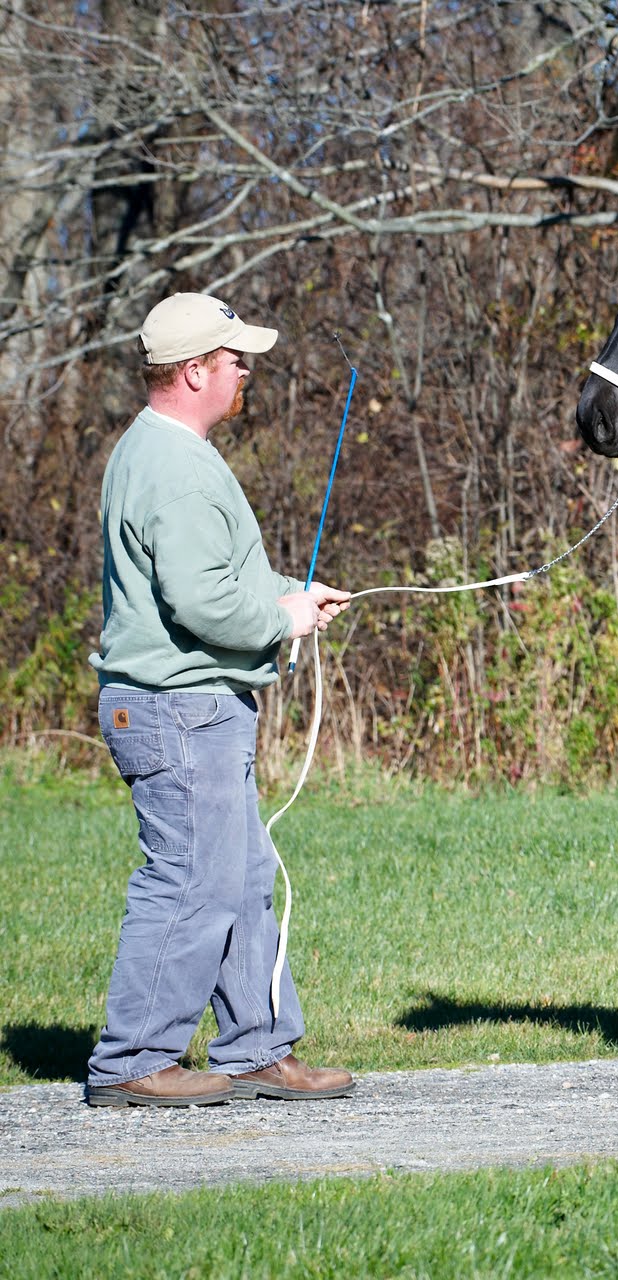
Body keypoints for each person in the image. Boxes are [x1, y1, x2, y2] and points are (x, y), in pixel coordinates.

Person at [85, 292, 354, 1107]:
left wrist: (292, 593)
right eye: (236, 360)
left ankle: (257, 1050)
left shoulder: (166, 450)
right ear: (195, 370)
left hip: (190, 706)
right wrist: (282, 619)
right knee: (192, 881)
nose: (246, 372)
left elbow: (219, 579)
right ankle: (132, 1059)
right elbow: (201, 604)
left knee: (240, 880)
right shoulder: (174, 468)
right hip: (178, 709)